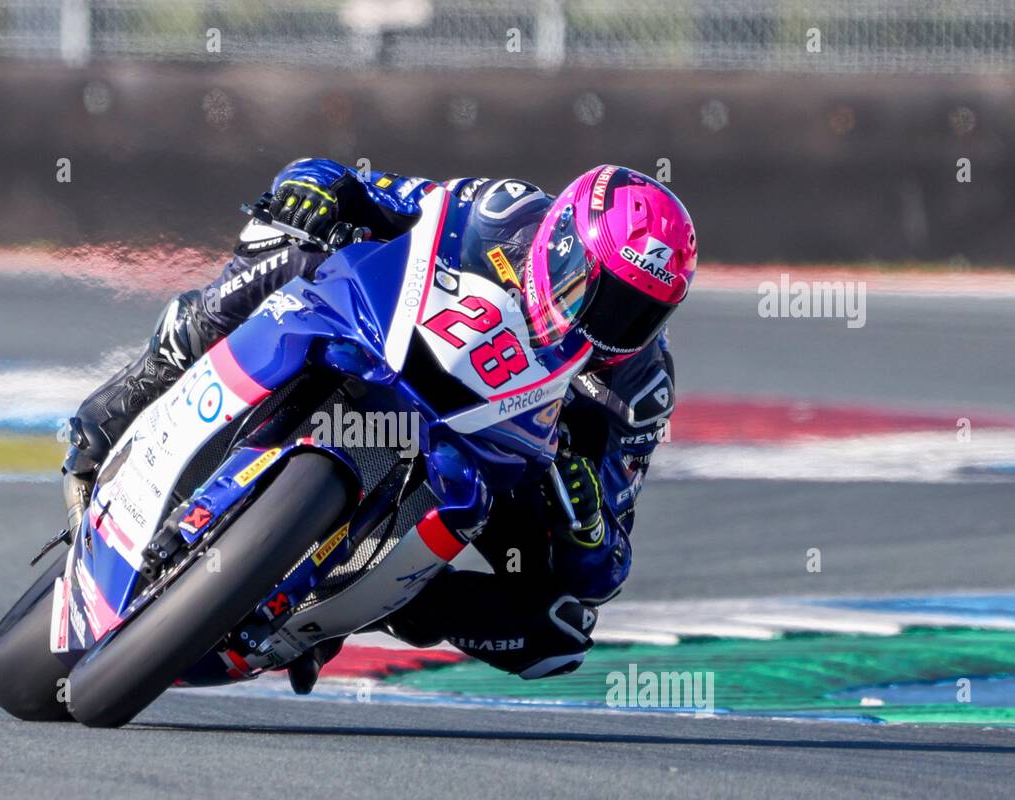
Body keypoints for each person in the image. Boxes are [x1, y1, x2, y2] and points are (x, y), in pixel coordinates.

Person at [61, 159, 697, 692]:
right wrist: (315, 189)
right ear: (562, 244)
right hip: (390, 342)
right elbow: (367, 188)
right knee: (290, 240)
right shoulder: (501, 210)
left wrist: (586, 525)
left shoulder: (638, 388)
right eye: (603, 293)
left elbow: (606, 568)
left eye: (637, 314)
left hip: (496, 456)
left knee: (558, 630)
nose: (607, 324)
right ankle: (150, 376)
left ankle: (353, 606)